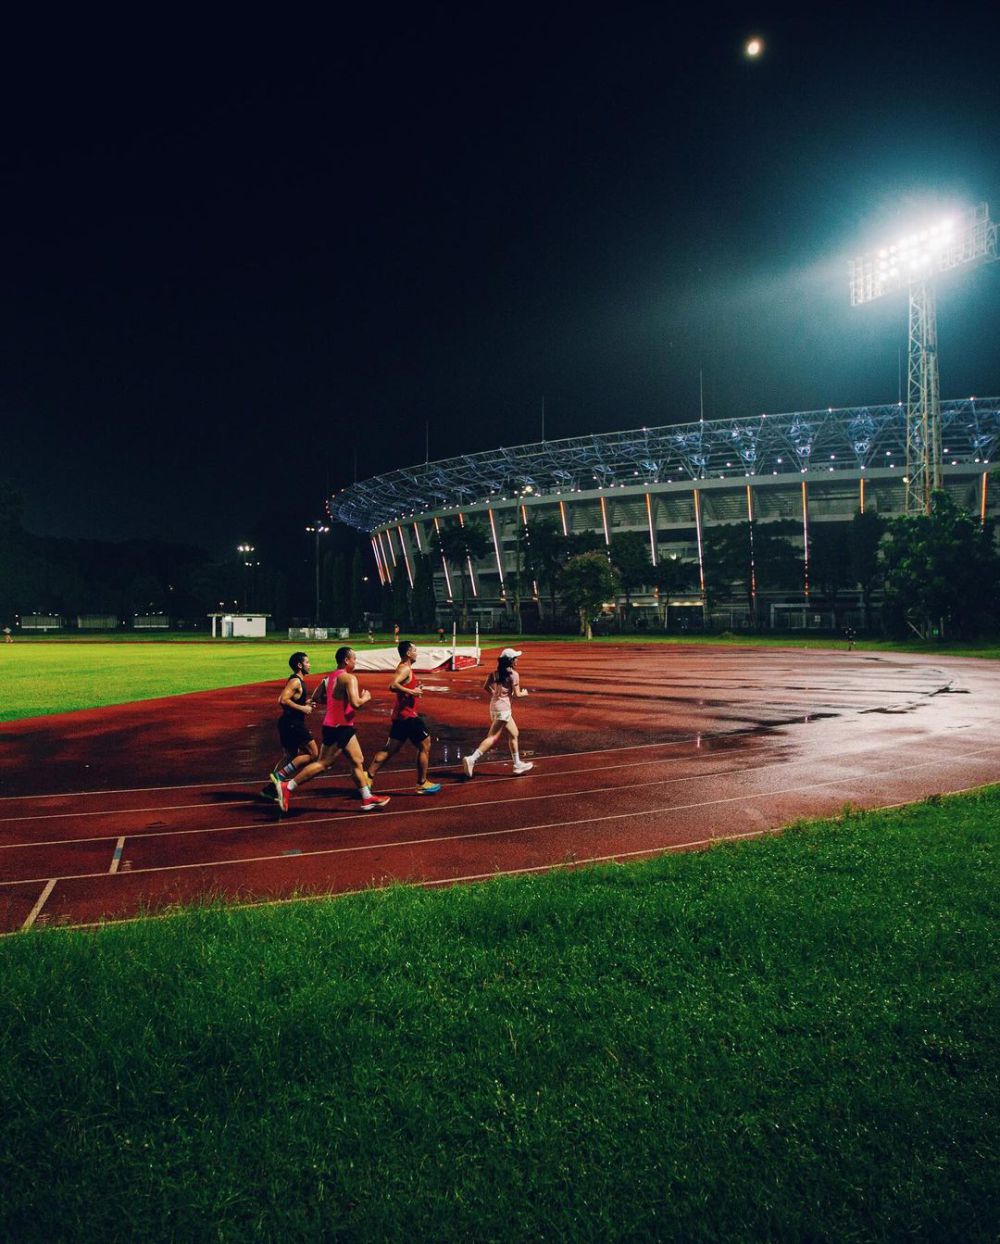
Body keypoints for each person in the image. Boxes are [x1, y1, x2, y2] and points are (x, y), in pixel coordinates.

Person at [271, 647, 390, 813]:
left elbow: (317, 697)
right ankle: (287, 786)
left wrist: (336, 703)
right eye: (354, 659)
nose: (355, 662)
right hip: (339, 726)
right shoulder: (349, 678)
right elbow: (356, 703)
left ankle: (366, 797)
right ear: (346, 660)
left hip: (337, 725)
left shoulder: (329, 677)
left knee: (357, 760)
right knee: (323, 763)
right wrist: (365, 698)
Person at [366, 641, 441, 795]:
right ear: (408, 653)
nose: (417, 652)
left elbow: (401, 687)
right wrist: (412, 692)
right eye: (415, 650)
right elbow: (392, 685)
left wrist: (413, 690)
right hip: (408, 717)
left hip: (401, 716)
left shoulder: (405, 668)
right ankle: (422, 783)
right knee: (425, 745)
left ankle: (368, 776)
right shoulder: (405, 668)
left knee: (390, 750)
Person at [463, 648, 533, 778]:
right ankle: (472, 759)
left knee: (514, 733)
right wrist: (525, 693)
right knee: (492, 738)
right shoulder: (514, 675)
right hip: (504, 710)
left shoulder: (494, 673)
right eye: (515, 658)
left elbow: (485, 687)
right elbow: (517, 694)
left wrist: (495, 695)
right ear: (510, 661)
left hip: (494, 707)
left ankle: (517, 764)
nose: (517, 660)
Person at [260, 651, 318, 800]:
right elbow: (283, 700)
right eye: (307, 662)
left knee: (290, 756)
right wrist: (303, 709)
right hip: (293, 724)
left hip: (288, 723)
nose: (310, 665)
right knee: (313, 753)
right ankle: (279, 776)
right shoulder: (296, 681)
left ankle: (270, 789)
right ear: (300, 665)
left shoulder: (298, 681)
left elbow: (292, 700)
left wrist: (304, 703)